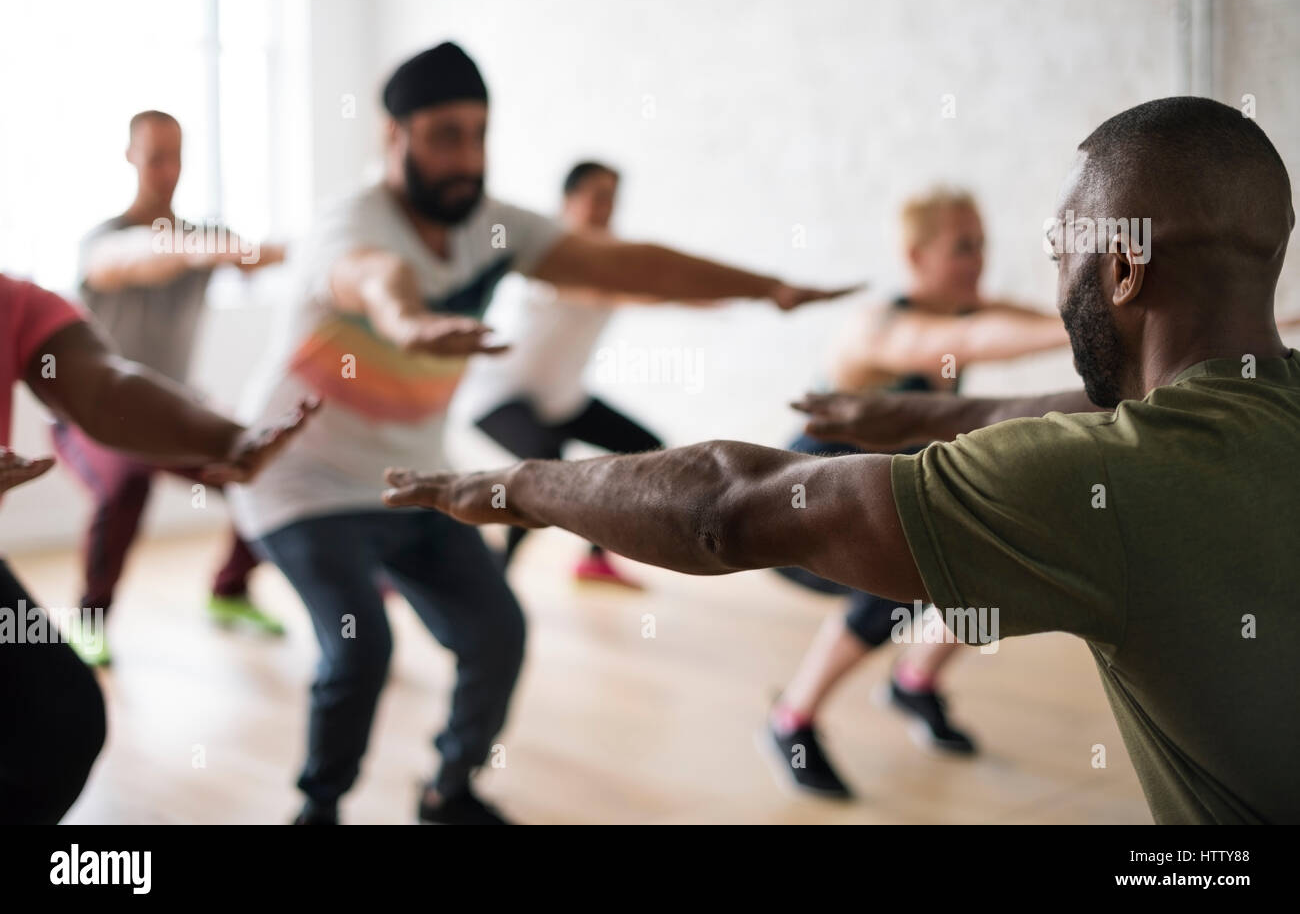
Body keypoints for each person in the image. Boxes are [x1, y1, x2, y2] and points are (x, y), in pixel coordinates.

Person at [383, 97, 1300, 824]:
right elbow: (1026, 380)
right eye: (969, 246)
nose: (1043, 279)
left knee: (962, 571)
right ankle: (801, 711)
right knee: (937, 573)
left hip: (821, 498)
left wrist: (519, 488)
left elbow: (728, 504)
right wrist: (916, 408)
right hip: (824, 499)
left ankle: (884, 687)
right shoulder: (896, 326)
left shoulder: (1111, 473)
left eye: (1064, 254)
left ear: (1127, 274)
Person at [228, 41, 852, 826]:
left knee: (497, 631)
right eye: (444, 136)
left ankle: (448, 791)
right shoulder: (351, 224)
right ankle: (318, 809)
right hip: (300, 483)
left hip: (413, 477)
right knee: (361, 648)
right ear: (393, 137)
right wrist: (405, 318)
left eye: (478, 134)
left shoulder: (495, 227)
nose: (466, 157)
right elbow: (372, 277)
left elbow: (631, 263)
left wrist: (768, 287)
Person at [766, 189, 1072, 797]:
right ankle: (789, 721)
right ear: (916, 254)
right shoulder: (880, 328)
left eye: (982, 244)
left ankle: (914, 682)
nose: (979, 261)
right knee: (905, 584)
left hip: (877, 503)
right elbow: (986, 339)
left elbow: (1017, 323)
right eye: (963, 247)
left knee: (991, 561)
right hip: (796, 515)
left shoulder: (964, 314)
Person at [0, 273, 315, 823]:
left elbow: (105, 388)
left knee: (60, 728)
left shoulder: (12, 301)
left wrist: (229, 439)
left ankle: (222, 589)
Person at [55, 110, 287, 666]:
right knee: (127, 481)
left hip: (175, 408)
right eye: (155, 155)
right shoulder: (105, 242)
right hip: (89, 414)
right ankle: (89, 621)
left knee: (262, 464)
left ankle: (230, 590)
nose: (167, 169)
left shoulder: (204, 236)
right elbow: (137, 261)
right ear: (131, 157)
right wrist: (200, 248)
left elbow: (263, 255)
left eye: (176, 156)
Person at [451, 160, 668, 589]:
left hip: (559, 397)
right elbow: (599, 290)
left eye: (612, 198)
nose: (606, 207)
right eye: (597, 196)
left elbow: (642, 277)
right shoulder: (548, 250)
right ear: (569, 200)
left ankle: (596, 558)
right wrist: (685, 293)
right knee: (544, 463)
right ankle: (499, 570)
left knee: (645, 448)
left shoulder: (616, 254)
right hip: (497, 394)